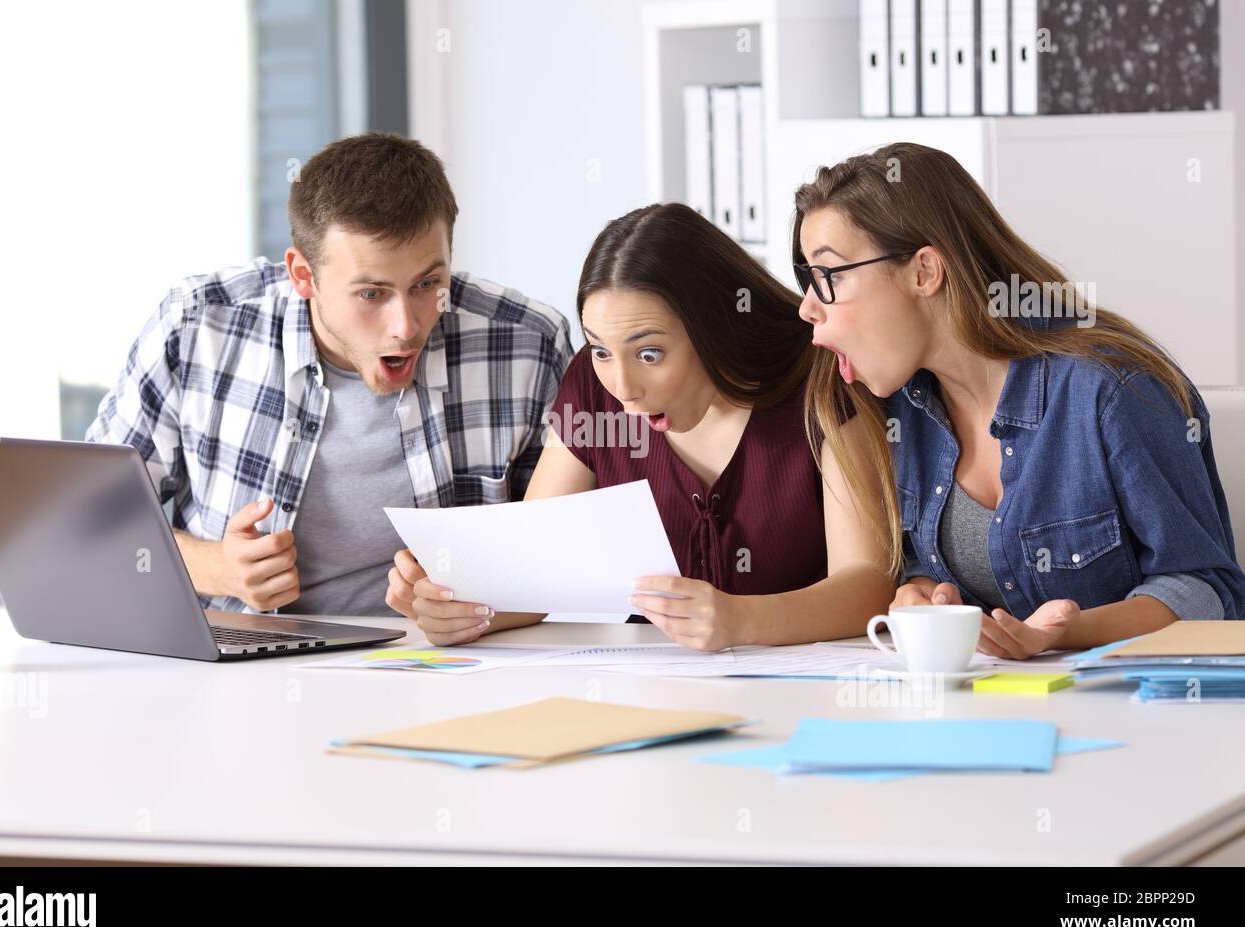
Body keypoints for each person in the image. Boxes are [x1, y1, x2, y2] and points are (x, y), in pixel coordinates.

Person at [88, 132, 572, 615]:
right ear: (304, 276)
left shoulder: (528, 343)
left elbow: (562, 552)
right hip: (246, 669)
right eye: (371, 294)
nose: (405, 325)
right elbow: (90, 520)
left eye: (428, 283)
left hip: (452, 668)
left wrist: (477, 605)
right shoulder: (197, 327)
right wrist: (217, 567)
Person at [794, 142, 1245, 659]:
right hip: (992, 711)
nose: (809, 306)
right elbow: (928, 565)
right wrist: (919, 592)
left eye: (831, 277)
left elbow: (1209, 590)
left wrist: (1064, 634)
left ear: (924, 272)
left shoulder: (1113, 391)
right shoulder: (906, 410)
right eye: (809, 279)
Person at [387, 203, 896, 650]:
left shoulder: (818, 379)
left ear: (716, 329)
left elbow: (867, 583)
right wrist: (465, 611)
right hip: (644, 700)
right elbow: (533, 573)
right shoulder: (591, 386)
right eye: (602, 349)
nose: (622, 385)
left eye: (650, 353)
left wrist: (743, 620)